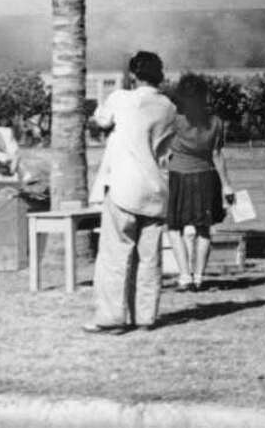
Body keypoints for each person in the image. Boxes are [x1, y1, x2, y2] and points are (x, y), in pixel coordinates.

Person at [84, 51, 176, 335]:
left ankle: (111, 318)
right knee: (149, 257)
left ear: (132, 75)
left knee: (115, 255)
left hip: (124, 186)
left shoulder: (121, 98)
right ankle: (145, 316)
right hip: (157, 188)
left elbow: (100, 121)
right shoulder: (169, 107)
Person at [165, 74, 235, 292]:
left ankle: (185, 276)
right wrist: (226, 185)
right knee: (204, 229)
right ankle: (199, 278)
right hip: (206, 178)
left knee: (174, 227)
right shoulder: (216, 123)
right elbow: (217, 155)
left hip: (177, 177)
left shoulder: (174, 120)